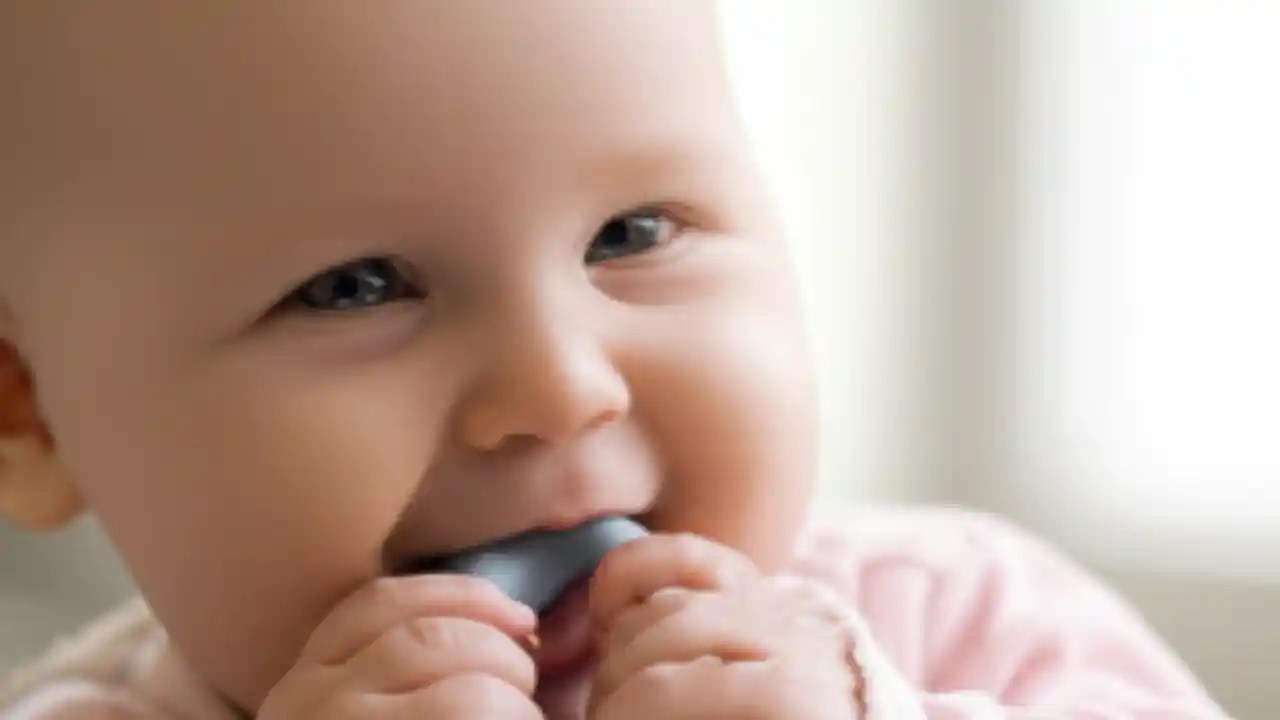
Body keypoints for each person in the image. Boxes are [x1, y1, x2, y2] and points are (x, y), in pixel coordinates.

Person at [0, 3, 1229, 718]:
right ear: (32, 420)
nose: (560, 386)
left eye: (629, 235)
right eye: (354, 286)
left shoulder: (970, 626)